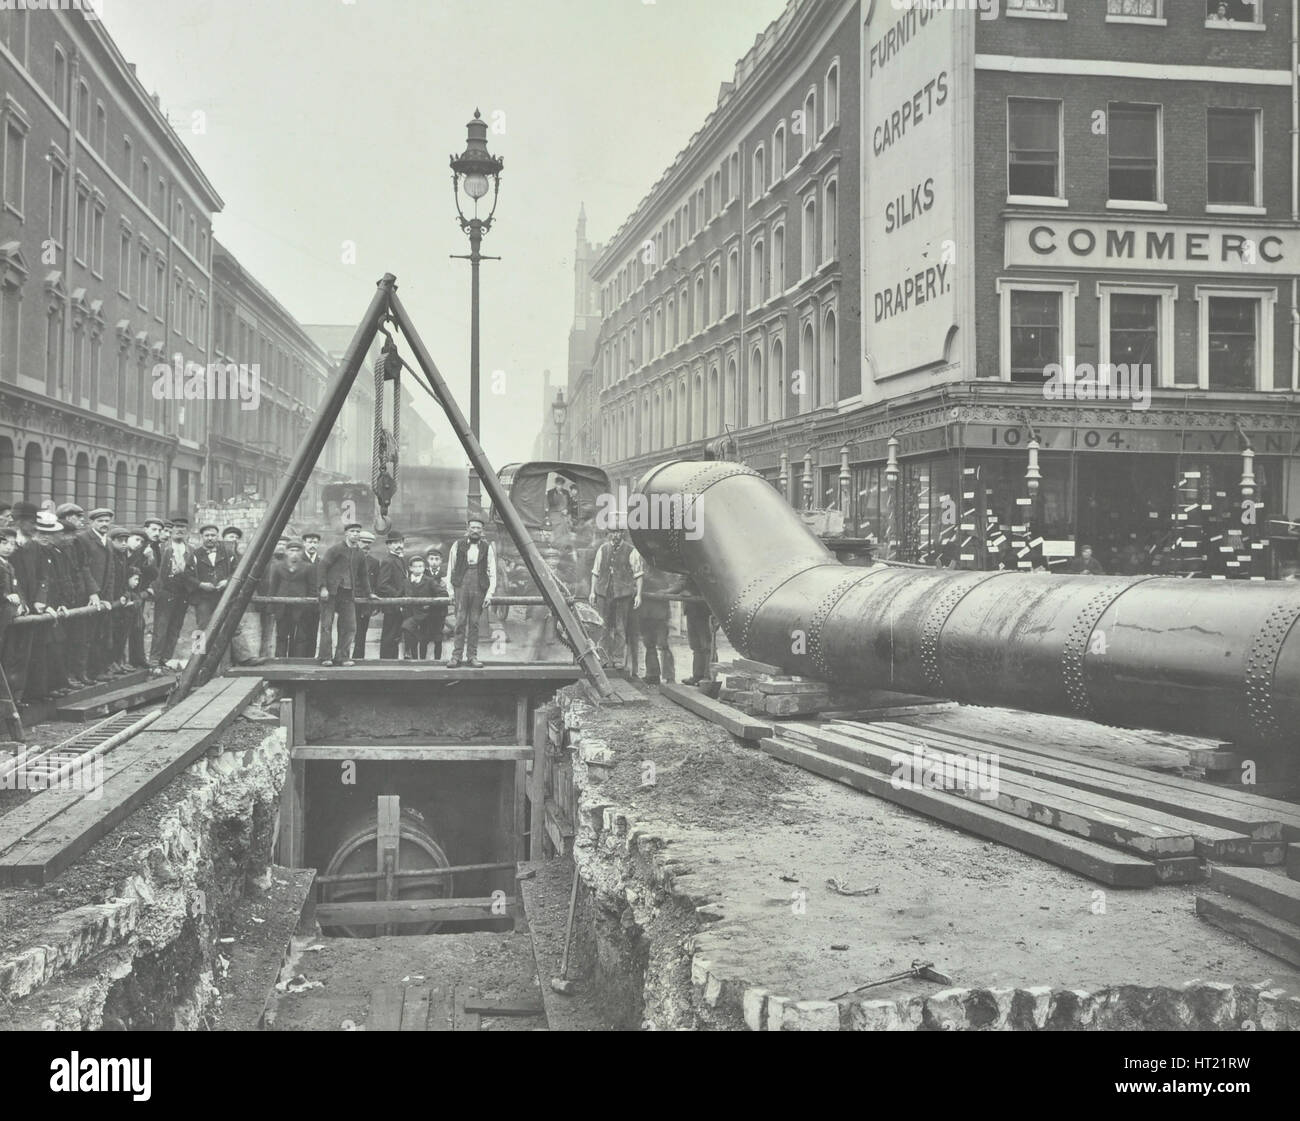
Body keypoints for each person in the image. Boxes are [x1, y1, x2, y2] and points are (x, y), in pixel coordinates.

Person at [589, 525, 643, 671]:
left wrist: (638, 594)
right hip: (603, 592)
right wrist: (592, 592)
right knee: (603, 626)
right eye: (613, 532)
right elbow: (595, 572)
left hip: (622, 594)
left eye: (618, 532)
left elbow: (638, 574)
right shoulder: (603, 549)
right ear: (609, 534)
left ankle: (618, 659)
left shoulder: (631, 550)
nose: (615, 535)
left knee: (620, 627)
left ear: (623, 534)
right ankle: (603, 658)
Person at [317, 522, 372, 666]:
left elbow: (364, 575)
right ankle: (325, 657)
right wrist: (323, 588)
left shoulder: (360, 554)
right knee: (327, 625)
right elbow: (322, 567)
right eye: (352, 531)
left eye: (357, 532)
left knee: (350, 626)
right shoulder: (336, 549)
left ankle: (342, 657)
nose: (355, 534)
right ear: (346, 533)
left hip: (347, 594)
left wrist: (369, 593)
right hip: (330, 593)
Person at [446, 516, 496, 668]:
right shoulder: (458, 545)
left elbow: (492, 572)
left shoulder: (487, 547)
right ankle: (456, 656)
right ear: (467, 529)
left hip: (479, 586)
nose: (475, 531)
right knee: (460, 621)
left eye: (478, 528)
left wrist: (489, 594)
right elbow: (451, 568)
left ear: (482, 531)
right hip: (461, 584)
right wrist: (450, 591)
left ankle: (472, 656)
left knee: (474, 623)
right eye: (472, 528)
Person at [149, 515, 197, 673]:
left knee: (175, 627)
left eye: (183, 528)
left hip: (182, 593)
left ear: (186, 531)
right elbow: (154, 570)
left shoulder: (190, 550)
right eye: (176, 527)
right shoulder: (162, 547)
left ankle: (166, 659)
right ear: (170, 530)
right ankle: (154, 661)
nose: (179, 530)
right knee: (161, 627)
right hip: (165, 592)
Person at [81, 507, 118, 679]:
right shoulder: (83, 539)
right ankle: (88, 672)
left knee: (101, 633)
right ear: (92, 522)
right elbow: (84, 568)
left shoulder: (108, 541)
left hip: (103, 597)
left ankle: (99, 670)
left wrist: (107, 597)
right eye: (100, 521)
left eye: (107, 521)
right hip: (88, 597)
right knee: (87, 635)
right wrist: (93, 592)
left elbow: (110, 571)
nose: (104, 524)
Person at [269, 541, 318, 657]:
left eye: (297, 551)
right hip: (282, 606)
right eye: (291, 550)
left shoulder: (308, 567)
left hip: (301, 607)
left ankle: (297, 660)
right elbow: (273, 587)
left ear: (301, 553)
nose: (294, 554)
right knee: (281, 635)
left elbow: (312, 588)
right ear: (286, 552)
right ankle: (280, 660)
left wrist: (310, 606)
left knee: (301, 636)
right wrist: (271, 607)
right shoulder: (278, 566)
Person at [638, 564, 678, 685]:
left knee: (663, 645)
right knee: (649, 645)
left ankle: (669, 676)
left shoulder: (663, 574)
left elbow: (671, 585)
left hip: (660, 616)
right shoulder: (642, 573)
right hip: (646, 614)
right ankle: (652, 675)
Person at [400, 553, 445, 660]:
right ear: (410, 568)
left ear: (424, 568)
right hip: (410, 614)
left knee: (421, 636)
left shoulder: (429, 581)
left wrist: (430, 603)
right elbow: (399, 595)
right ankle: (411, 655)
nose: (418, 569)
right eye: (415, 566)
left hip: (425, 615)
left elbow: (442, 593)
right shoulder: (406, 582)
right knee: (409, 631)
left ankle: (421, 659)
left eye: (420, 566)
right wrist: (402, 605)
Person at [124, 528, 156, 669]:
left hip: (136, 595)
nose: (139, 543)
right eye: (136, 539)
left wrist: (149, 558)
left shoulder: (141, 555)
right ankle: (121, 662)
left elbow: (153, 574)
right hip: (123, 595)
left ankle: (138, 659)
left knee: (138, 626)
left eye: (141, 541)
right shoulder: (121, 553)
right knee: (120, 630)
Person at [375, 532, 407, 659]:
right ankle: (385, 662)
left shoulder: (400, 559)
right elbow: (382, 585)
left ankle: (391, 662)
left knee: (395, 636)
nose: (399, 545)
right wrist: (398, 596)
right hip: (392, 606)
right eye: (395, 543)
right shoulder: (388, 561)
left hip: (398, 605)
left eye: (400, 542)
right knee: (389, 636)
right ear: (388, 545)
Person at [679, 576, 716, 686]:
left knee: (706, 646)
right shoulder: (687, 569)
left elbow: (712, 587)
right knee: (695, 646)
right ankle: (697, 676)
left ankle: (707, 677)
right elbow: (682, 583)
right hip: (691, 610)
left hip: (703, 612)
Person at [352, 530, 380, 660]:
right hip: (351, 602)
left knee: (362, 632)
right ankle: (344, 657)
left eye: (369, 544)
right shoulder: (349, 558)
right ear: (357, 542)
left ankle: (358, 658)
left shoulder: (374, 562)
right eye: (363, 542)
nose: (366, 546)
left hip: (366, 603)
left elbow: (375, 584)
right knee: (348, 630)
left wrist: (374, 604)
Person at [300, 530, 322, 659]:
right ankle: (299, 660)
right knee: (301, 636)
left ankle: (310, 659)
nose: (312, 545)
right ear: (304, 544)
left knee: (313, 634)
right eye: (309, 542)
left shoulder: (321, 561)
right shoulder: (300, 560)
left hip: (316, 605)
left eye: (315, 542)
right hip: (301, 604)